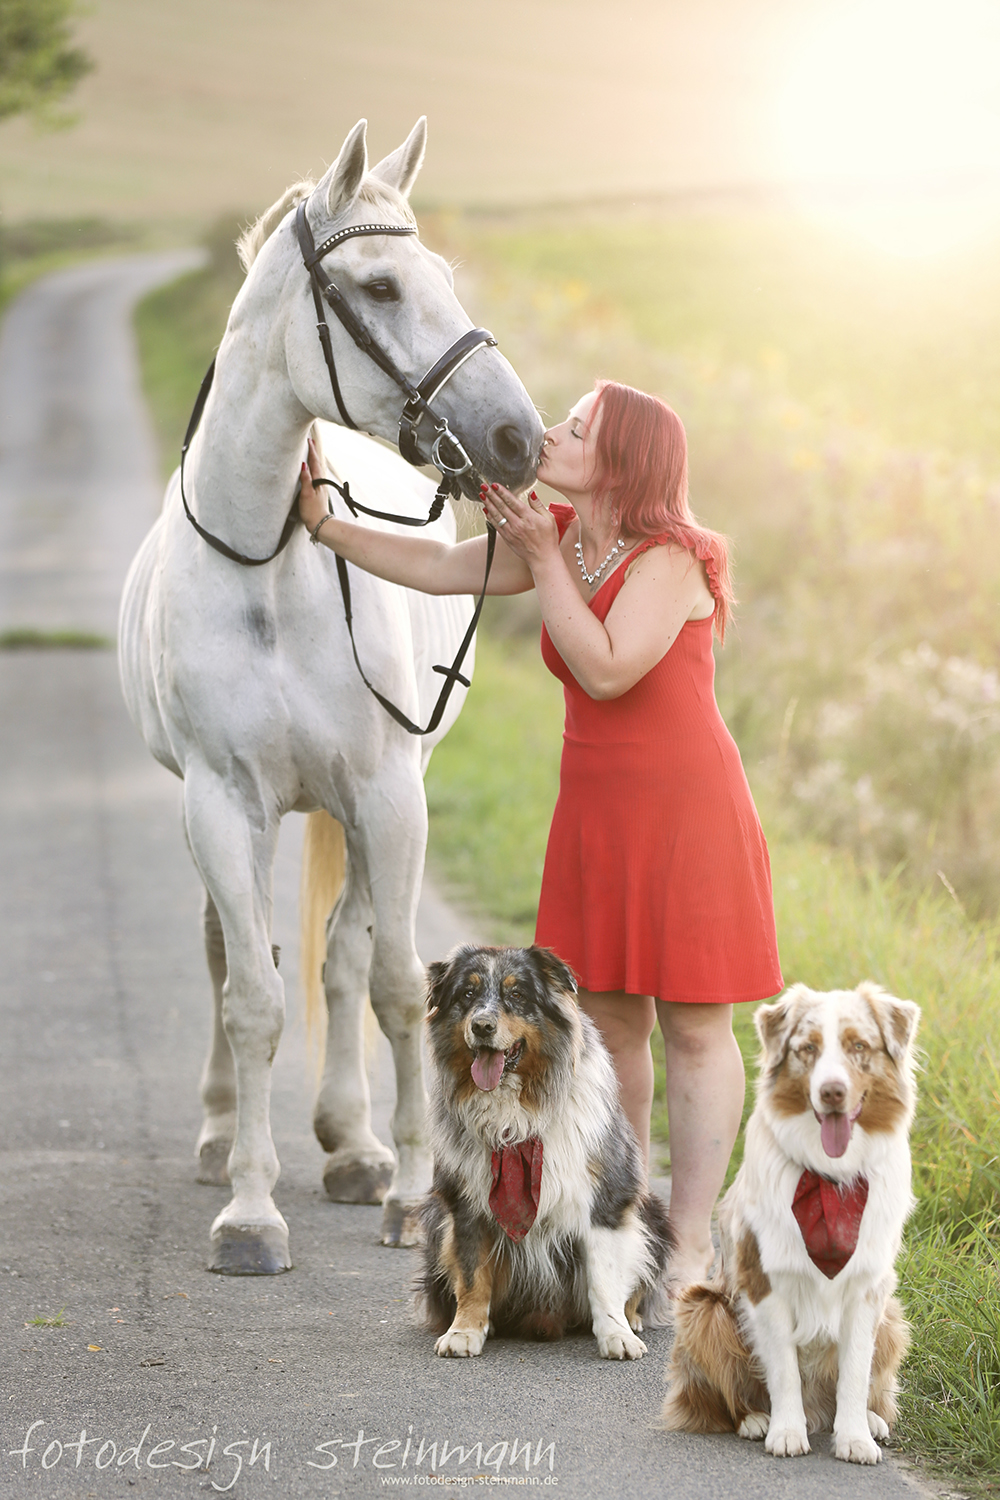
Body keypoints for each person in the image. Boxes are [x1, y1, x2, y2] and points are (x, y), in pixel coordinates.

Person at [299, 381, 782, 1290]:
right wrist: (326, 525)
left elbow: (606, 670)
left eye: (576, 429)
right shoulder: (557, 539)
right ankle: (625, 1223)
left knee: (694, 1025)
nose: (550, 434)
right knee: (612, 1023)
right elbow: (436, 567)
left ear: (622, 461)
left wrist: (539, 556)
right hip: (597, 813)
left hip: (689, 812)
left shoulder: (677, 556)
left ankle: (691, 1242)